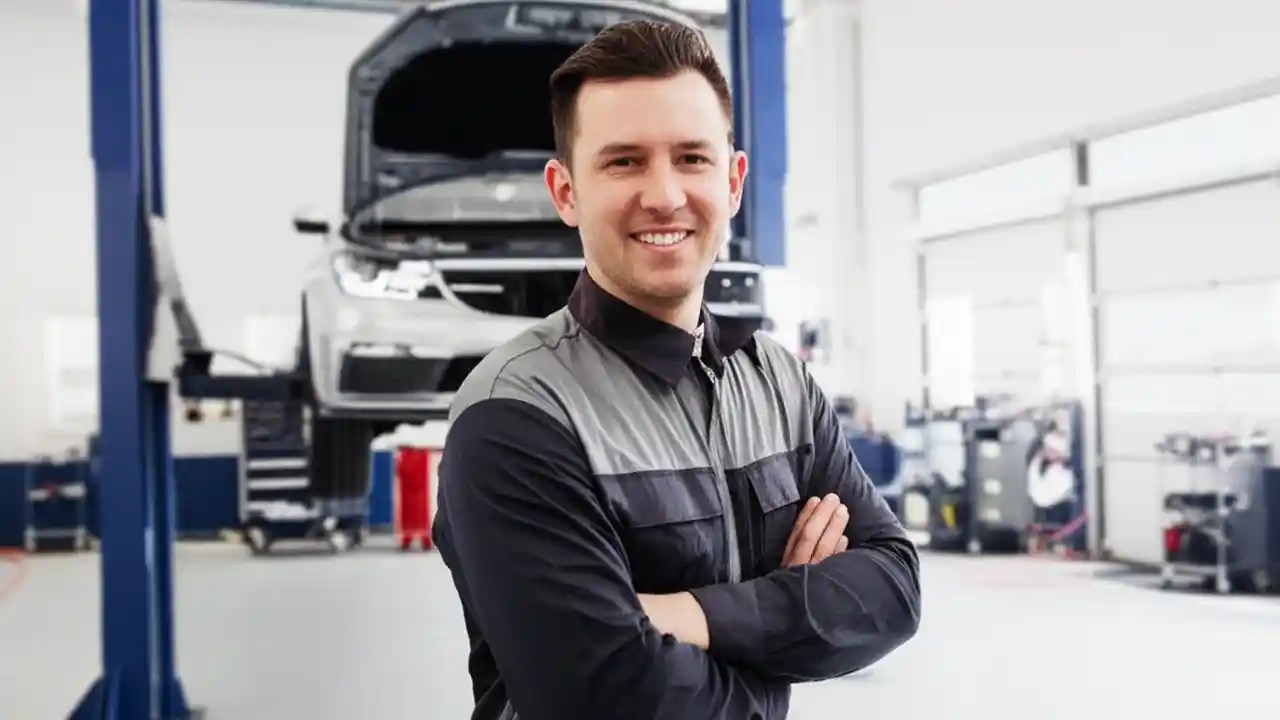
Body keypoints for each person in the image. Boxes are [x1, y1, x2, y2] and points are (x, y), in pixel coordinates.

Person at [432, 19, 922, 720]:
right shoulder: (516, 415)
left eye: (691, 158)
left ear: (734, 181)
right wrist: (787, 630)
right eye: (623, 161)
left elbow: (894, 589)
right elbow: (600, 695)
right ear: (565, 192)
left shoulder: (779, 383)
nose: (663, 196)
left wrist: (688, 616)